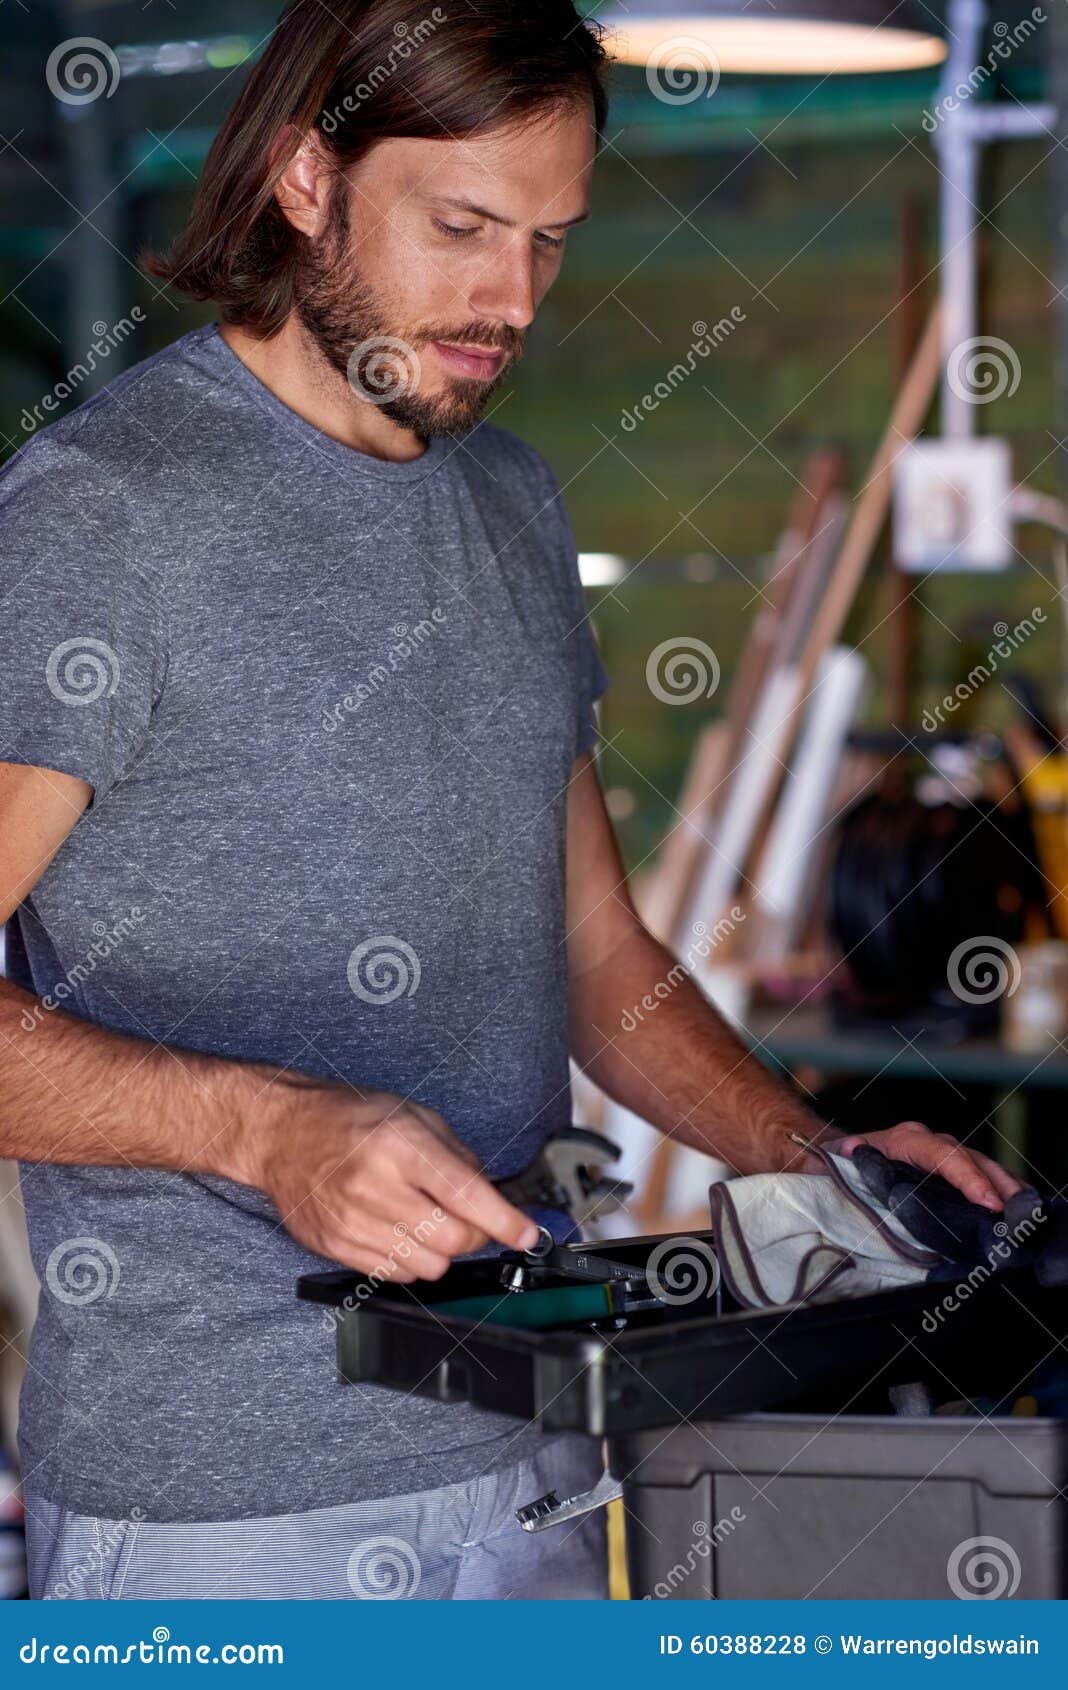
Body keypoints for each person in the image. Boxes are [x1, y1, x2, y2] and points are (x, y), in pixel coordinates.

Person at [0, 0, 1020, 1600]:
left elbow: (600, 956)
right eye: (462, 227)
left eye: (549, 239)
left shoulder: (514, 503)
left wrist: (820, 1162)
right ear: (303, 181)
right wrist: (266, 1131)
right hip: (228, 1523)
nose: (512, 299)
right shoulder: (102, 521)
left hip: (541, 1458)